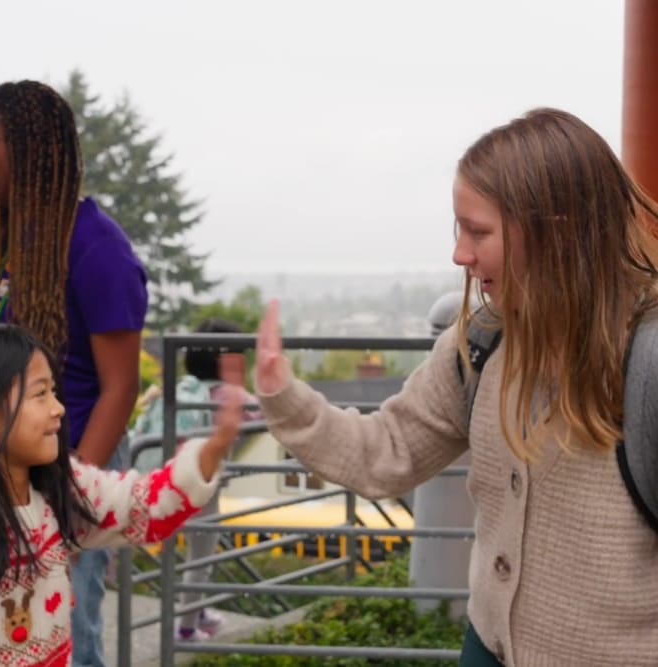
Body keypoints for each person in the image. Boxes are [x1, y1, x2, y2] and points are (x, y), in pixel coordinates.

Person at [252, 109, 658, 667]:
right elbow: (387, 451)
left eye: (479, 232)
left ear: (558, 233)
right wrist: (284, 396)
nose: (460, 254)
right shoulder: (481, 344)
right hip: (485, 648)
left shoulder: (647, 362)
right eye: (458, 229)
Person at [0, 322, 242, 666]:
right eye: (40, 394)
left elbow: (141, 506)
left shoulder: (59, 491)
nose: (58, 409)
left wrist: (213, 447)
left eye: (54, 391)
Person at [0, 79, 148, 667]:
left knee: (62, 636)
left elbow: (121, 386)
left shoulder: (98, 247)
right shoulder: (5, 238)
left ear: (28, 151)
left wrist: (74, 496)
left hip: (66, 470)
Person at [130, 317, 261, 641]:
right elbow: (266, 415)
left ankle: (198, 612)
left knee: (181, 551)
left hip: (166, 479)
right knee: (200, 557)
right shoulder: (231, 394)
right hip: (202, 484)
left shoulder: (180, 388)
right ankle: (187, 629)